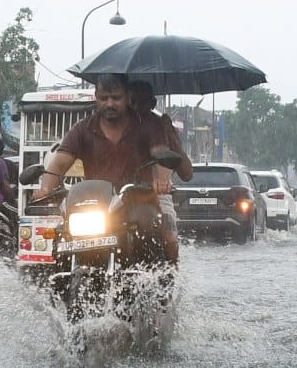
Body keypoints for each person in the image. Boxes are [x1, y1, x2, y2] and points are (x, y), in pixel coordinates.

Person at [40, 74, 193, 262]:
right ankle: (60, 281)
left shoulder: (149, 124)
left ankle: (161, 281)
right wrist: (45, 188)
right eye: (104, 98)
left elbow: (160, 154)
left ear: (126, 97)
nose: (110, 103)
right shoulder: (83, 128)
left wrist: (161, 180)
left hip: (139, 201)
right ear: (96, 97)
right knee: (60, 235)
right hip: (97, 204)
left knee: (160, 233)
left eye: (116, 98)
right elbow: (60, 162)